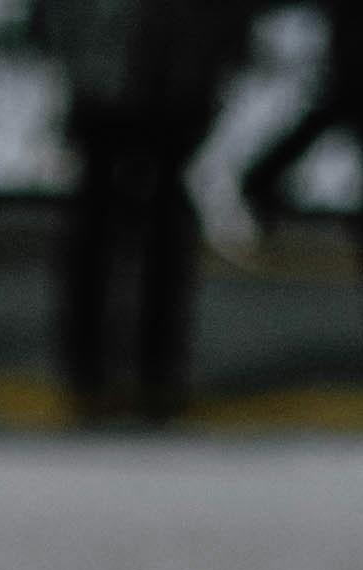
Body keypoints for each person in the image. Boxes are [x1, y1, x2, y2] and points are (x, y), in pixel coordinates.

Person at [44, 0, 251, 400]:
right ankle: (149, 367)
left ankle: (97, 364)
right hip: (163, 79)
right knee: (153, 227)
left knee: (105, 225)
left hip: (117, 76)